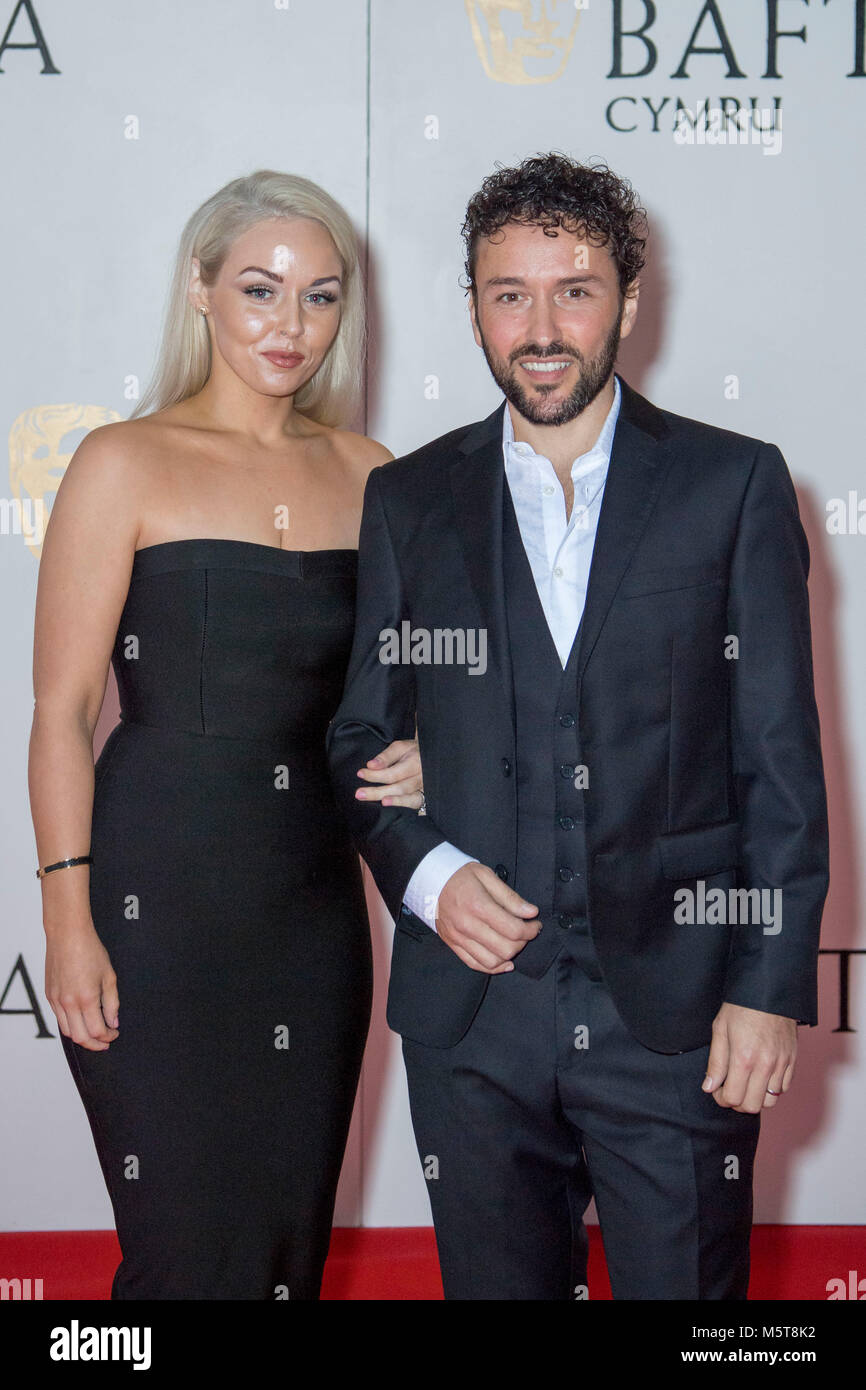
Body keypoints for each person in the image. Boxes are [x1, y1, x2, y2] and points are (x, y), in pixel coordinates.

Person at [327, 152, 830, 1300]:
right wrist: (430, 872)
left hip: (677, 1011)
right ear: (471, 311)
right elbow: (360, 739)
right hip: (474, 1017)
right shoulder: (408, 499)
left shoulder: (730, 484)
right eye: (509, 294)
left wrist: (765, 986)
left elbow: (778, 766)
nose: (540, 327)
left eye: (574, 289)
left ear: (628, 303)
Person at [28, 169, 422, 1300]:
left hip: (310, 913)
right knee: (185, 1257)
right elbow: (59, 712)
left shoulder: (370, 473)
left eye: (320, 297)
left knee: (280, 1256)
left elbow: (394, 704)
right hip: (156, 908)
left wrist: (423, 753)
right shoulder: (122, 460)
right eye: (259, 289)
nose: (288, 326)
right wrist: (68, 922)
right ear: (200, 290)